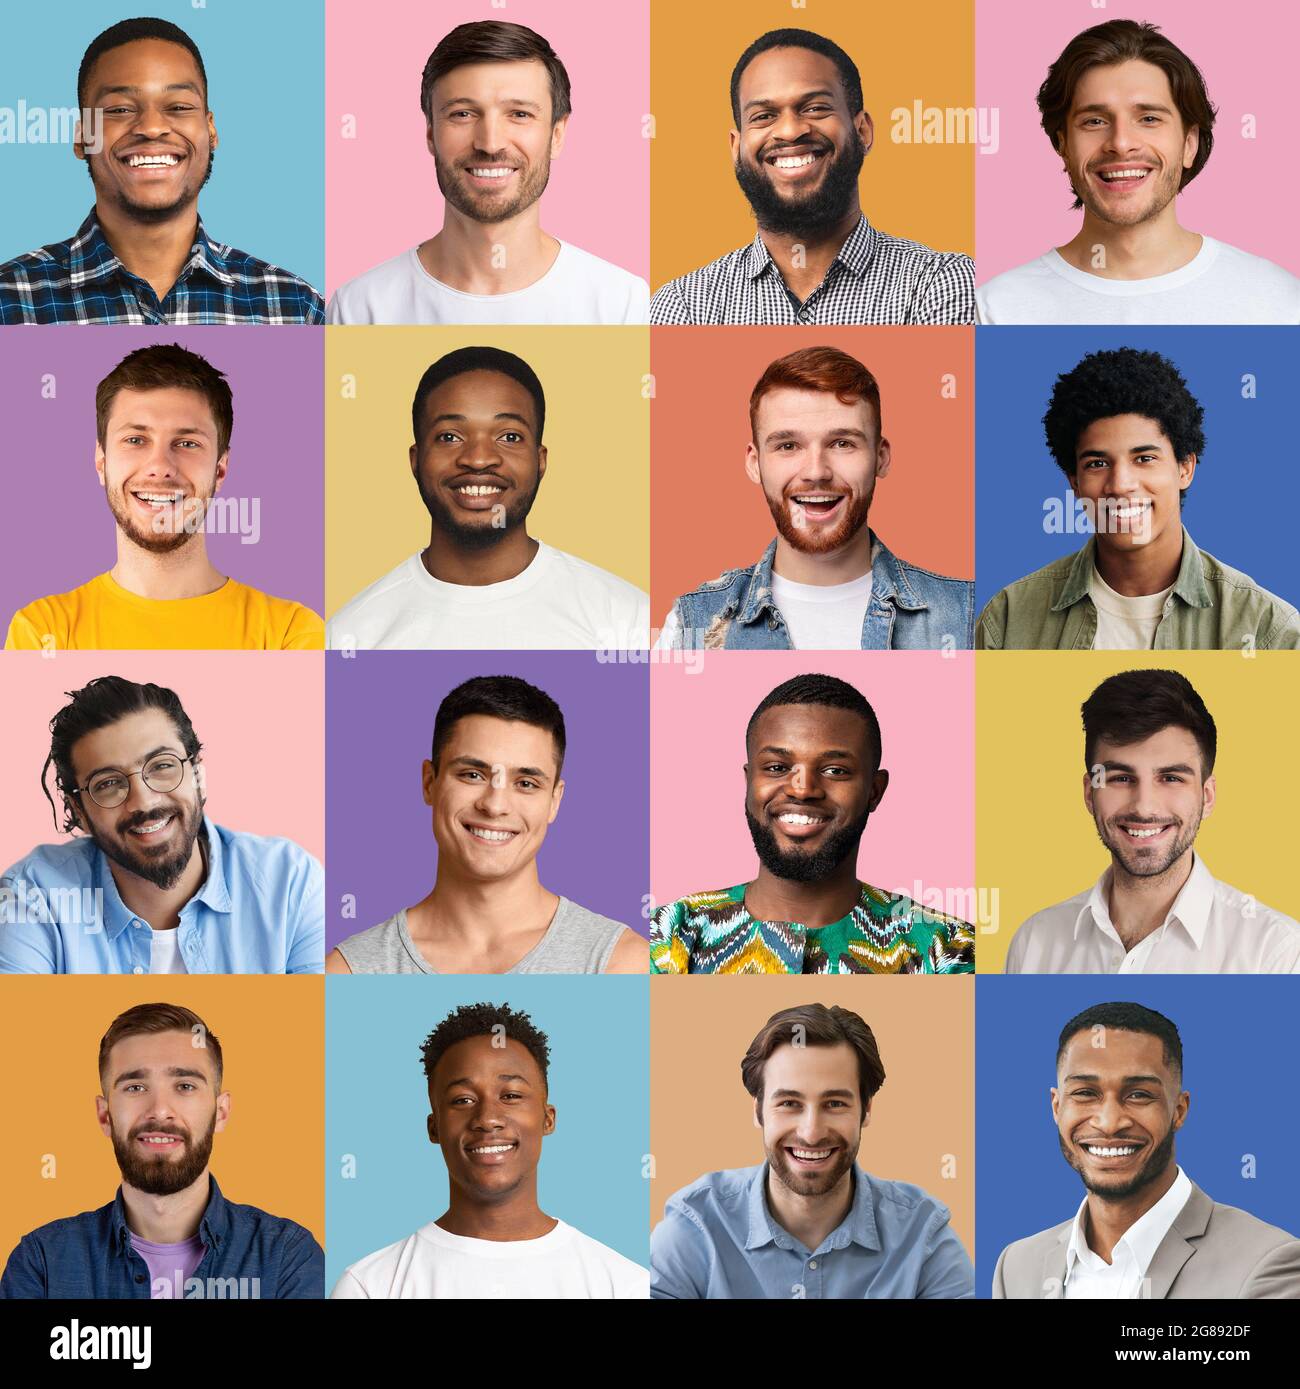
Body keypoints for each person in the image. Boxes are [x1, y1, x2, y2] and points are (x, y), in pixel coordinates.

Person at [0, 17, 323, 325]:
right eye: (120, 109)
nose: (152, 128)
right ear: (83, 136)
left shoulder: (295, 308)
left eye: (179, 107)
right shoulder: (9, 301)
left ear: (211, 131)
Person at [977, 20, 1300, 325]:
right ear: (1063, 144)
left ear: (1189, 143)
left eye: (1148, 119)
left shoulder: (1278, 305)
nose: (1120, 143)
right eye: (1095, 121)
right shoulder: (995, 312)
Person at [326, 347, 649, 650]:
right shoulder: (350, 635)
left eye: (509, 436)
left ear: (540, 461)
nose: (478, 459)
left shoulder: (627, 619)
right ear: (416, 459)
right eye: (449, 437)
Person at [5, 343, 324, 650]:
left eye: (187, 443)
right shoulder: (43, 630)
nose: (160, 467)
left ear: (220, 470)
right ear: (102, 463)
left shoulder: (290, 632)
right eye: (135, 439)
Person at [976, 348, 1300, 650]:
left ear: (1185, 468)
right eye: (1097, 464)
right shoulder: (1008, 621)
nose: (1121, 485)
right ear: (1074, 481)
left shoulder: (1266, 629)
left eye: (1144, 458)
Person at [327, 20, 647, 325]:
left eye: (519, 114)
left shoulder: (622, 305)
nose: (490, 143)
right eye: (462, 114)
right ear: (430, 134)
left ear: (557, 135)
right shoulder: (359, 310)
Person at [650, 674, 974, 974]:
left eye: (835, 770)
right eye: (777, 767)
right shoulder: (671, 933)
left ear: (874, 792)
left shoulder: (945, 947)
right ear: (749, 783)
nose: (802, 789)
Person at [0, 676, 324, 974]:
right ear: (79, 811)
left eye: (162, 766)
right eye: (108, 783)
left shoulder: (290, 883)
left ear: (198, 775)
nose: (143, 802)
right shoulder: (33, 896)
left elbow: (313, 1031)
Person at [657, 345, 973, 649]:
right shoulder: (691, 625)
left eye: (842, 443)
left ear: (881, 457)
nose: (816, 472)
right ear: (755, 464)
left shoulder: (966, 615)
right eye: (788, 446)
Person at [651, 28, 973, 326]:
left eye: (815, 108)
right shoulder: (684, 307)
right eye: (763, 116)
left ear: (862, 131)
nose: (790, 131)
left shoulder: (938, 284)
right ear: (736, 147)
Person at [0, 1002, 324, 1297]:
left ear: (221, 1112)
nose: (159, 1110)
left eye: (184, 1086)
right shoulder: (43, 1262)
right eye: (135, 1087)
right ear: (105, 1115)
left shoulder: (286, 1256)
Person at [652, 1003, 973, 1298]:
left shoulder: (923, 1236)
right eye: (789, 1103)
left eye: (834, 1104)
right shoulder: (696, 1229)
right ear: (758, 1110)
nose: (811, 1132)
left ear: (866, 1110)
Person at [327, 675, 644, 974]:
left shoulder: (624, 964)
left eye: (526, 783)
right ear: (429, 782)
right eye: (472, 775)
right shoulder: (347, 973)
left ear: (554, 800)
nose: (495, 805)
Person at [330, 1002, 648, 1298]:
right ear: (434, 1128)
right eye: (462, 1100)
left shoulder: (624, 1284)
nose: (488, 1119)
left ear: (547, 1118)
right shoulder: (370, 1286)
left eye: (510, 1095)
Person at [993, 1002, 1300, 1298]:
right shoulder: (1016, 1266)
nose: (1110, 1123)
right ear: (1057, 1107)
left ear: (1179, 1110)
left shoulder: (1267, 1263)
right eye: (1086, 1093)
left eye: (1139, 1095)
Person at [1004, 670, 1300, 974]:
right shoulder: (1034, 944)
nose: (1144, 807)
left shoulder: (1277, 953)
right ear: (1089, 793)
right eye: (1120, 778)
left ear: (1207, 796)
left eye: (1170, 778)